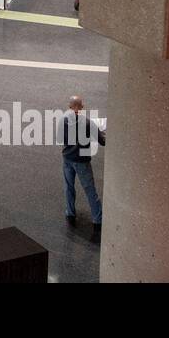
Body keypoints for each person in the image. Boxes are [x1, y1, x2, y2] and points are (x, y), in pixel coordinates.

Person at [59, 95, 105, 236]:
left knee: (69, 187)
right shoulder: (88, 123)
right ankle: (98, 220)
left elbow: (60, 138)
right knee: (90, 190)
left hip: (67, 159)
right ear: (82, 107)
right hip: (82, 161)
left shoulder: (63, 120)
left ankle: (70, 213)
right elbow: (102, 142)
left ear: (69, 106)